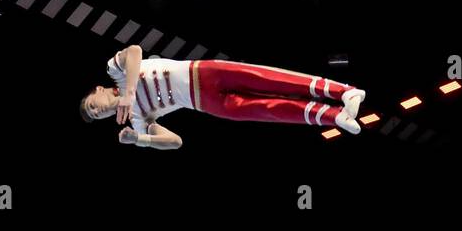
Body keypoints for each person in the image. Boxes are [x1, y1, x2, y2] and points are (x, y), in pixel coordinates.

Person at [82, 45, 367, 149]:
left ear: (98, 90)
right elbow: (175, 142)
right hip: (207, 104)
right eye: (96, 116)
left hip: (204, 73)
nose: (99, 112)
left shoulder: (115, 72)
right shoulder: (134, 118)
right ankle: (334, 116)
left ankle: (343, 91)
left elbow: (134, 51)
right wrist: (141, 139)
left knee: (271, 79)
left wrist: (129, 92)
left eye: (94, 106)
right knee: (269, 109)